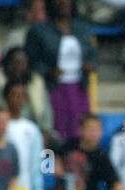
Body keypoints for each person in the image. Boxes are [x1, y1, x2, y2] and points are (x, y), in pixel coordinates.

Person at [23, 0, 96, 145]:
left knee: (80, 130)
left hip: (79, 87)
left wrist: (90, 65)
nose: (64, 3)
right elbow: (30, 60)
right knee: (57, 131)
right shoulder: (38, 30)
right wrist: (48, 71)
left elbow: (92, 54)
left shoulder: (82, 28)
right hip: (53, 87)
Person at [50, 112, 121, 190]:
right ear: (81, 130)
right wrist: (57, 167)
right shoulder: (70, 145)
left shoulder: (101, 157)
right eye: (90, 129)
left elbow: (115, 183)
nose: (94, 133)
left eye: (97, 130)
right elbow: (54, 154)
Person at [3, 83, 46, 190]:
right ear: (6, 97)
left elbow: (37, 162)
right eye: (14, 95)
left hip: (24, 186)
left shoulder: (31, 129)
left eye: (21, 96)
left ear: (26, 99)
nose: (18, 99)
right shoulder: (2, 125)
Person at [2, 47, 53, 137]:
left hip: (34, 129)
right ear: (8, 64)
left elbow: (46, 113)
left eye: (23, 63)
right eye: (15, 63)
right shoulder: (0, 83)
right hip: (5, 129)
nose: (19, 67)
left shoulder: (36, 82)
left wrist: (45, 132)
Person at [0, 107, 23, 190]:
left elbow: (15, 177)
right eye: (0, 121)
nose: (2, 125)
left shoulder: (12, 149)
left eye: (5, 121)